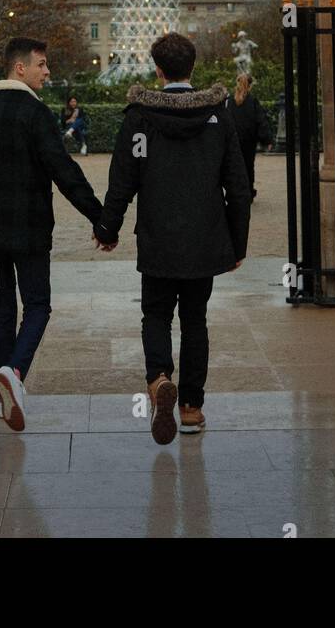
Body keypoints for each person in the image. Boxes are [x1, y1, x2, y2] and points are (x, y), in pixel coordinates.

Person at [93, 31, 251, 444]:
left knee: (156, 314)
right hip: (204, 237)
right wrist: (238, 244)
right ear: (192, 68)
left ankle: (159, 378)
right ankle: (192, 408)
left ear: (158, 70)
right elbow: (238, 185)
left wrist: (107, 229)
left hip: (159, 236)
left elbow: (121, 183)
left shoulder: (139, 118)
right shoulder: (218, 115)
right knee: (195, 320)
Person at [0, 36, 104, 432]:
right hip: (31, 231)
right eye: (42, 64)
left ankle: (9, 390)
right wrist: (100, 217)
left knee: (2, 309)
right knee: (38, 306)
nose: (47, 71)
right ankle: (15, 373)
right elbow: (63, 171)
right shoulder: (35, 115)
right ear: (20, 68)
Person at [226, 72, 273, 200]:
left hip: (233, 140)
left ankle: (234, 192)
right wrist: (267, 139)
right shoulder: (252, 101)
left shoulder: (229, 101)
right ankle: (248, 192)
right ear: (250, 86)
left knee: (234, 167)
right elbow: (261, 122)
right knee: (248, 167)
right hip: (248, 141)